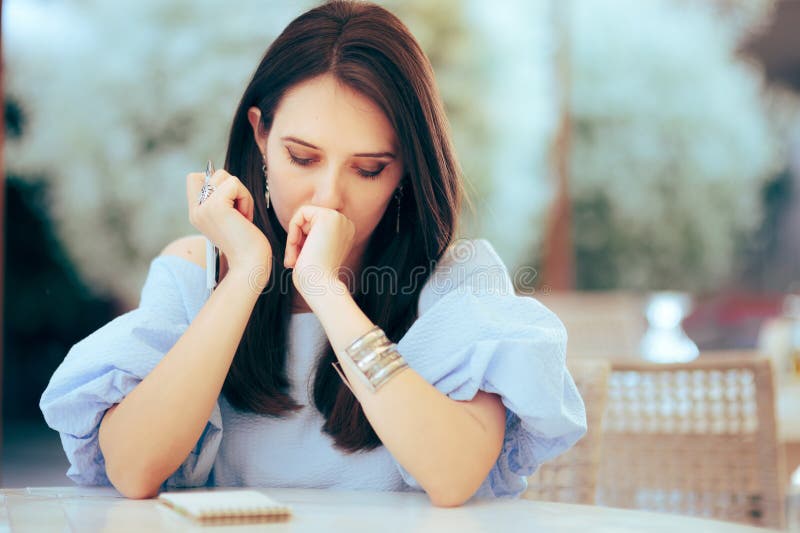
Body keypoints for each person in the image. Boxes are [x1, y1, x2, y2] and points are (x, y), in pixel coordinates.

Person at [40, 0, 586, 507]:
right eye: (302, 158)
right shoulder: (193, 273)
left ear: (404, 172)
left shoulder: (454, 282)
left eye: (368, 168)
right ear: (260, 136)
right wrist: (246, 275)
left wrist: (326, 291)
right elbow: (133, 469)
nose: (328, 197)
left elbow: (453, 474)